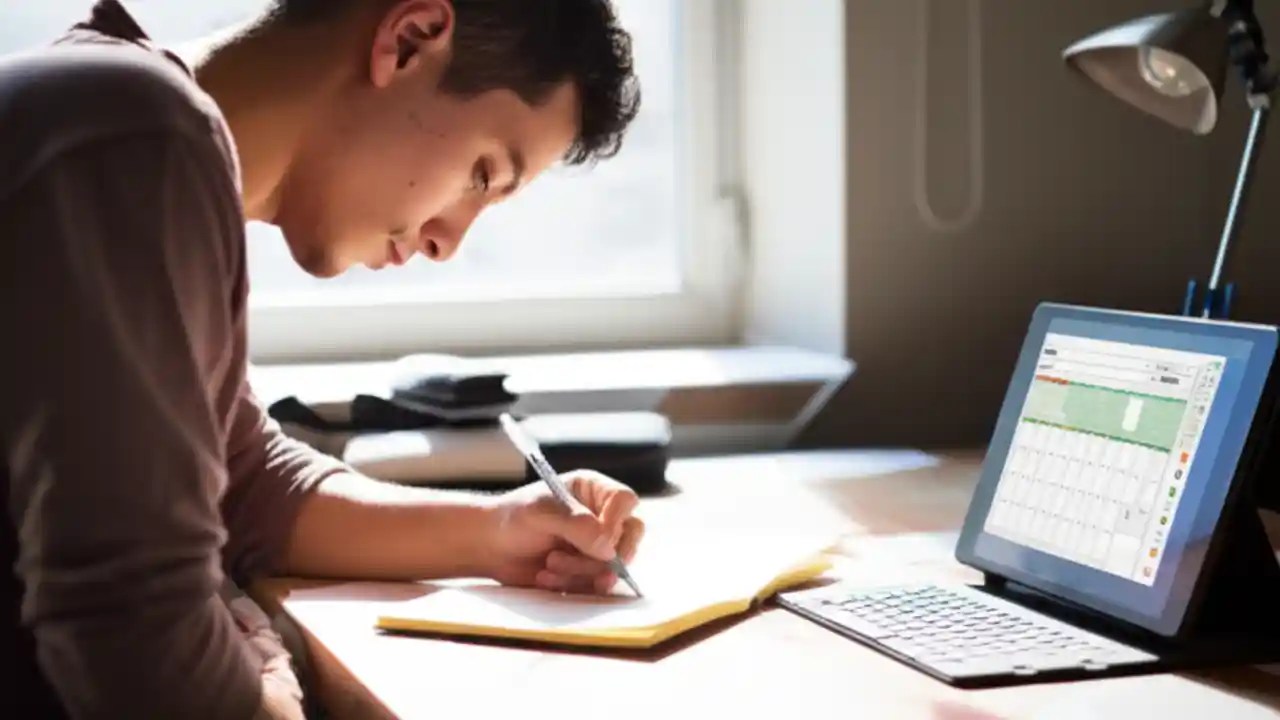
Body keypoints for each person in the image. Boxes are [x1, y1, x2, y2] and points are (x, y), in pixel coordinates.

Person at [0, 0, 644, 717]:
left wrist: (497, 533)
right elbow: (129, 630)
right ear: (409, 40)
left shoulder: (132, 129)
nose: (447, 242)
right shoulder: (131, 134)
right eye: (482, 175)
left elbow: (244, 480)